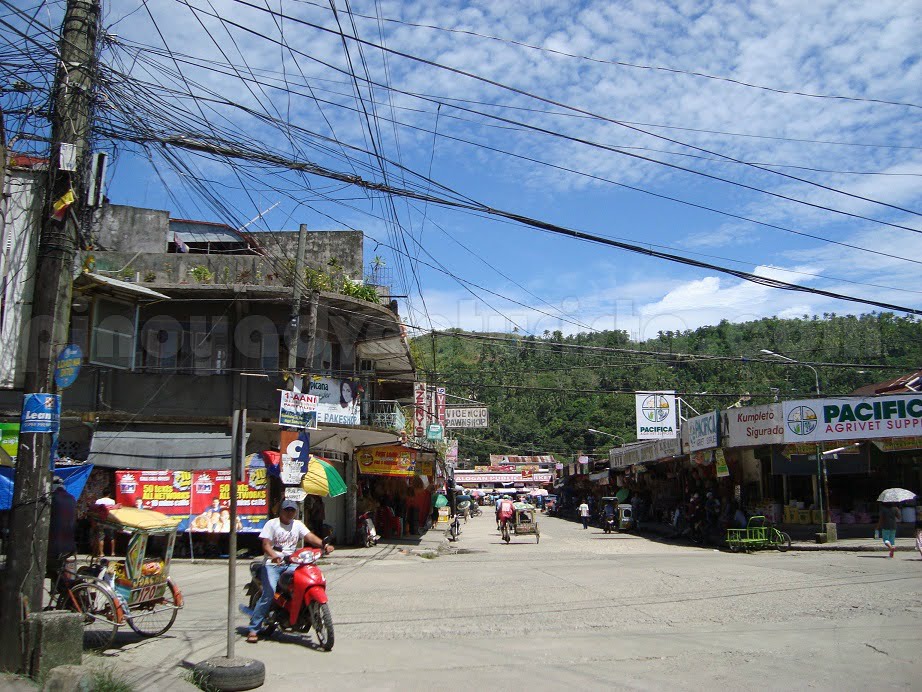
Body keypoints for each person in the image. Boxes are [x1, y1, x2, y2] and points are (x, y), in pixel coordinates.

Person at [247, 500, 332, 643]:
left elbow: (309, 536)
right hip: (272, 564)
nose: (289, 513)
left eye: (292, 510)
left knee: (302, 583)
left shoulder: (297, 524)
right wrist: (274, 556)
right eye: (287, 510)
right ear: (281, 511)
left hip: (292, 562)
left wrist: (324, 545)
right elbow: (266, 545)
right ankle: (254, 628)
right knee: (269, 593)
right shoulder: (272, 524)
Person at [47, 477, 76, 579]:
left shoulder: (52, 498)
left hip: (54, 544)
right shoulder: (72, 498)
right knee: (60, 572)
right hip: (69, 544)